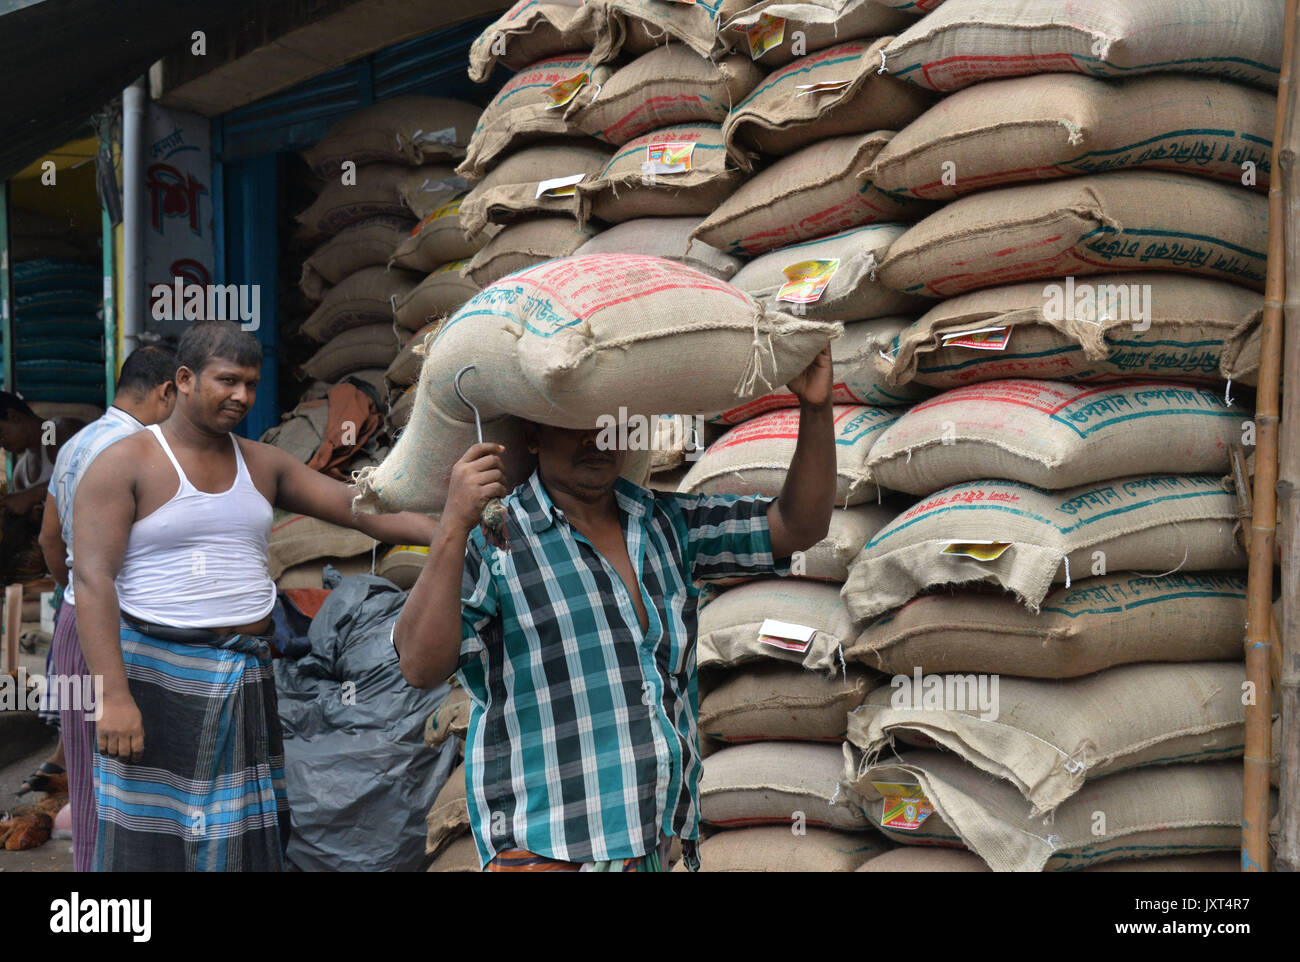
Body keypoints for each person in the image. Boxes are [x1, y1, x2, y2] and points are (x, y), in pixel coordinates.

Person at [394, 344, 836, 871]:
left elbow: (795, 527)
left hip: (651, 849)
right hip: (544, 855)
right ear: (533, 434)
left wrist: (814, 408)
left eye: (610, 421)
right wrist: (450, 527)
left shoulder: (665, 525)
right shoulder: (494, 538)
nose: (597, 438)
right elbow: (419, 666)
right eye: (574, 422)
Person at [74, 320, 436, 871]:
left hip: (244, 678)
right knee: (150, 843)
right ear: (185, 379)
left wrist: (454, 524)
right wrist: (113, 698)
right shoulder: (124, 463)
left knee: (241, 841)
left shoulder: (261, 463)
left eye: (251, 383)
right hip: (152, 677)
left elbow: (363, 511)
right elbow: (92, 580)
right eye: (227, 381)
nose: (242, 396)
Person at [34, 345, 178, 870]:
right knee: (134, 777)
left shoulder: (76, 444)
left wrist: (72, 592)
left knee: (89, 772)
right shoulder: (143, 451)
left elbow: (51, 537)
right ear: (167, 392)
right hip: (121, 623)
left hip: (77, 617)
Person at [0, 390, 83, 516]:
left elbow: (88, 473)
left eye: (1, 434)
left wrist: (32, 495)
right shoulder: (21, 475)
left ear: (13, 416)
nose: (1, 443)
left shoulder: (59, 432)